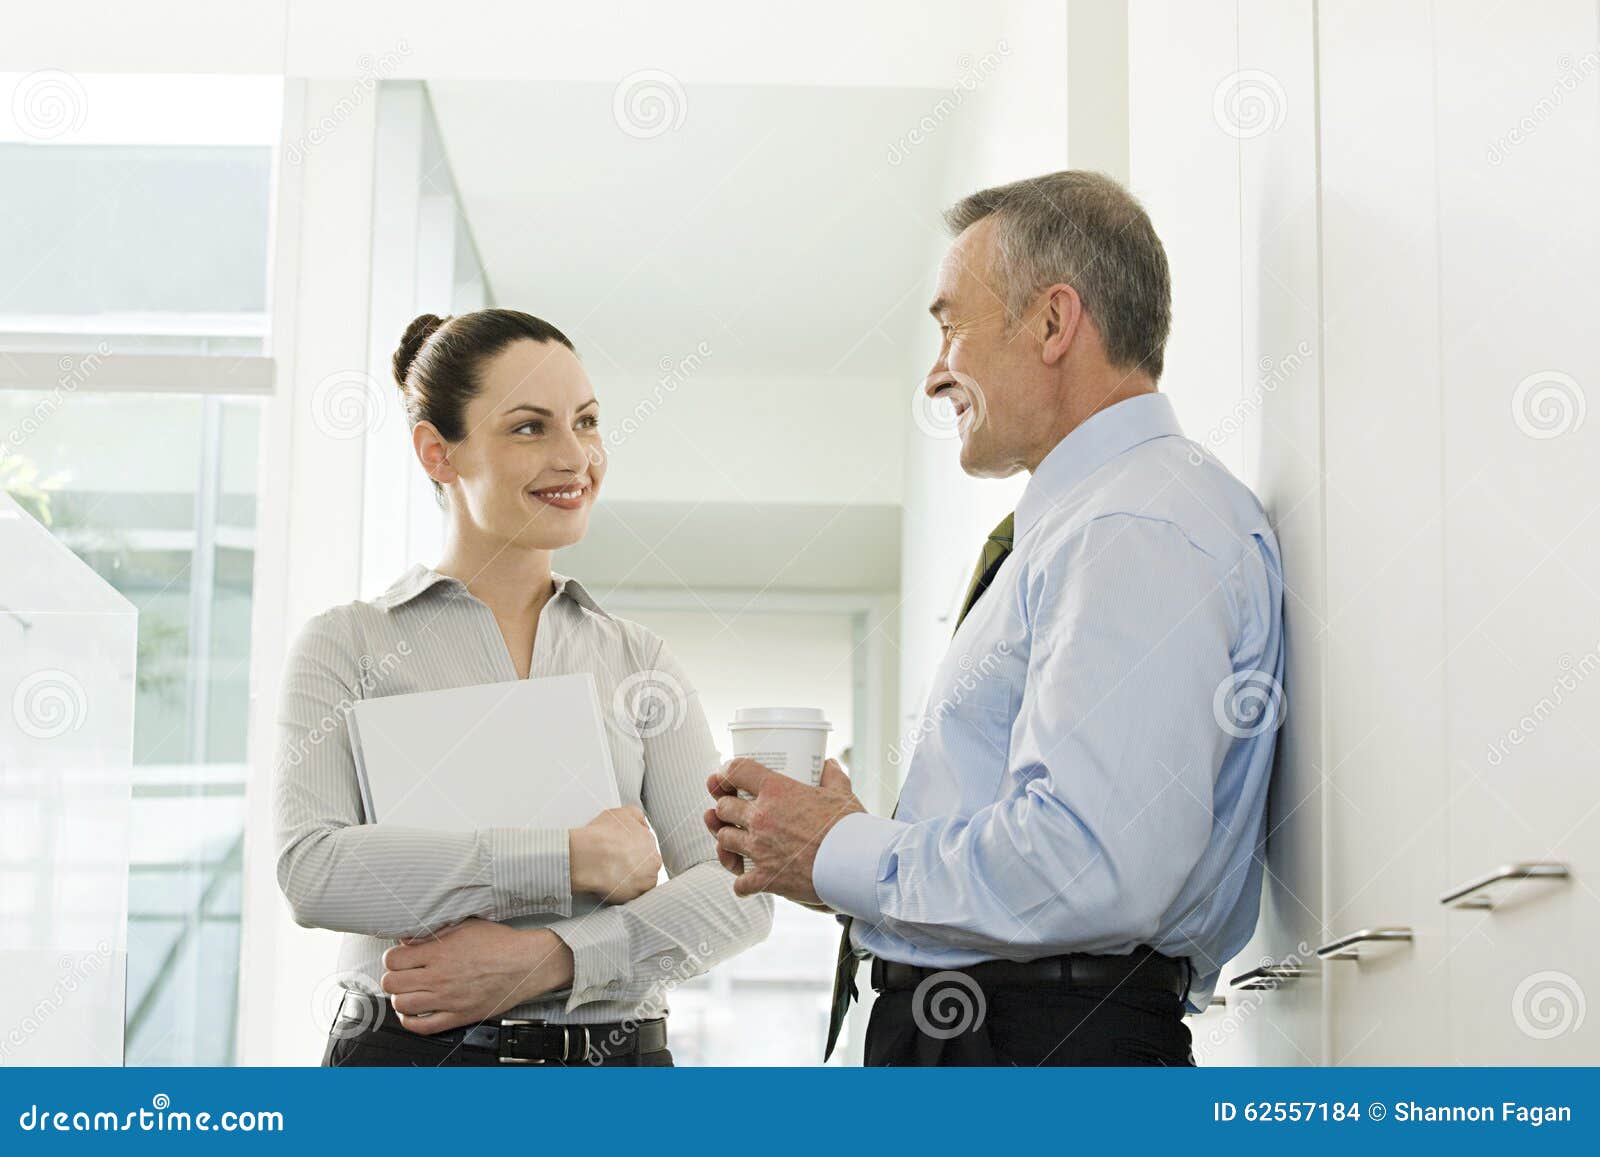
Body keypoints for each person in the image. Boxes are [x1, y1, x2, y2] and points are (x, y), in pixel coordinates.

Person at [705, 170, 1285, 1066]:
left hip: (1037, 1048)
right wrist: (834, 853)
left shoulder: (1133, 526)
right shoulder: (1092, 522)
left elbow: (1088, 863)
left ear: (1054, 323)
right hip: (1006, 1036)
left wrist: (846, 849)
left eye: (951, 327)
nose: (937, 375)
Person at [274, 308, 772, 1066]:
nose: (577, 457)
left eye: (588, 421)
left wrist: (555, 955)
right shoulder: (350, 642)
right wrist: (566, 858)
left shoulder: (640, 660)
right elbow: (314, 868)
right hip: (411, 1066)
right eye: (530, 428)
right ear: (438, 453)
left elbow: (740, 895)